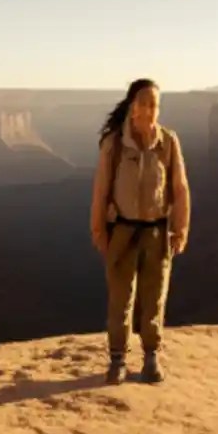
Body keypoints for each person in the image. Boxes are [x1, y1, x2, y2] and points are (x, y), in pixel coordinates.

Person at [89, 78, 191, 384]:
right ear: (132, 106)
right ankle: (118, 359)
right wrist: (99, 231)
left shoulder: (168, 142)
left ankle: (151, 357)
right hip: (122, 230)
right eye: (144, 103)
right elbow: (101, 190)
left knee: (154, 297)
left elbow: (180, 188)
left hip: (157, 233)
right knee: (121, 298)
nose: (150, 110)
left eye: (155, 104)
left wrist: (181, 228)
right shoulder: (115, 144)